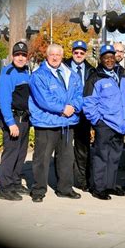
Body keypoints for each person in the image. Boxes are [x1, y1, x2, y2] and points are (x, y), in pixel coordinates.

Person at [28, 44, 83, 203]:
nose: (55, 57)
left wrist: (73, 107)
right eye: (52, 54)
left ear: (62, 55)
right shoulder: (38, 75)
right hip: (47, 123)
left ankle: (65, 188)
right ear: (47, 55)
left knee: (66, 158)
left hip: (66, 123)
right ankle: (38, 190)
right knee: (42, 159)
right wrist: (62, 108)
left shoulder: (71, 74)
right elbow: (43, 99)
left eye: (58, 54)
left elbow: (79, 94)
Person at [83, 45, 125, 200]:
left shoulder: (120, 73)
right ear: (101, 59)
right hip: (105, 124)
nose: (109, 60)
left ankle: (110, 185)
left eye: (112, 57)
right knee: (101, 157)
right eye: (106, 57)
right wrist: (97, 121)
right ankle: (98, 187)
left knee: (114, 157)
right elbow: (89, 102)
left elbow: (123, 99)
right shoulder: (95, 77)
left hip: (119, 124)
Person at [0, 41, 32, 201]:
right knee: (11, 154)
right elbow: (4, 100)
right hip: (13, 119)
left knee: (21, 154)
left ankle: (16, 183)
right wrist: (10, 123)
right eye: (17, 54)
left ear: (27, 57)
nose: (20, 57)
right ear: (12, 56)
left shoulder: (26, 71)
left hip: (24, 118)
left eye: (23, 55)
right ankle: (6, 187)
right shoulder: (8, 73)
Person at [63, 40, 95, 193]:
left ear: (85, 54)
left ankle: (82, 181)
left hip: (83, 115)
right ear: (72, 52)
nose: (79, 55)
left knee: (83, 150)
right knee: (64, 150)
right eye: (76, 52)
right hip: (66, 113)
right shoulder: (63, 66)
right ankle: (63, 181)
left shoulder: (91, 69)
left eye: (82, 52)